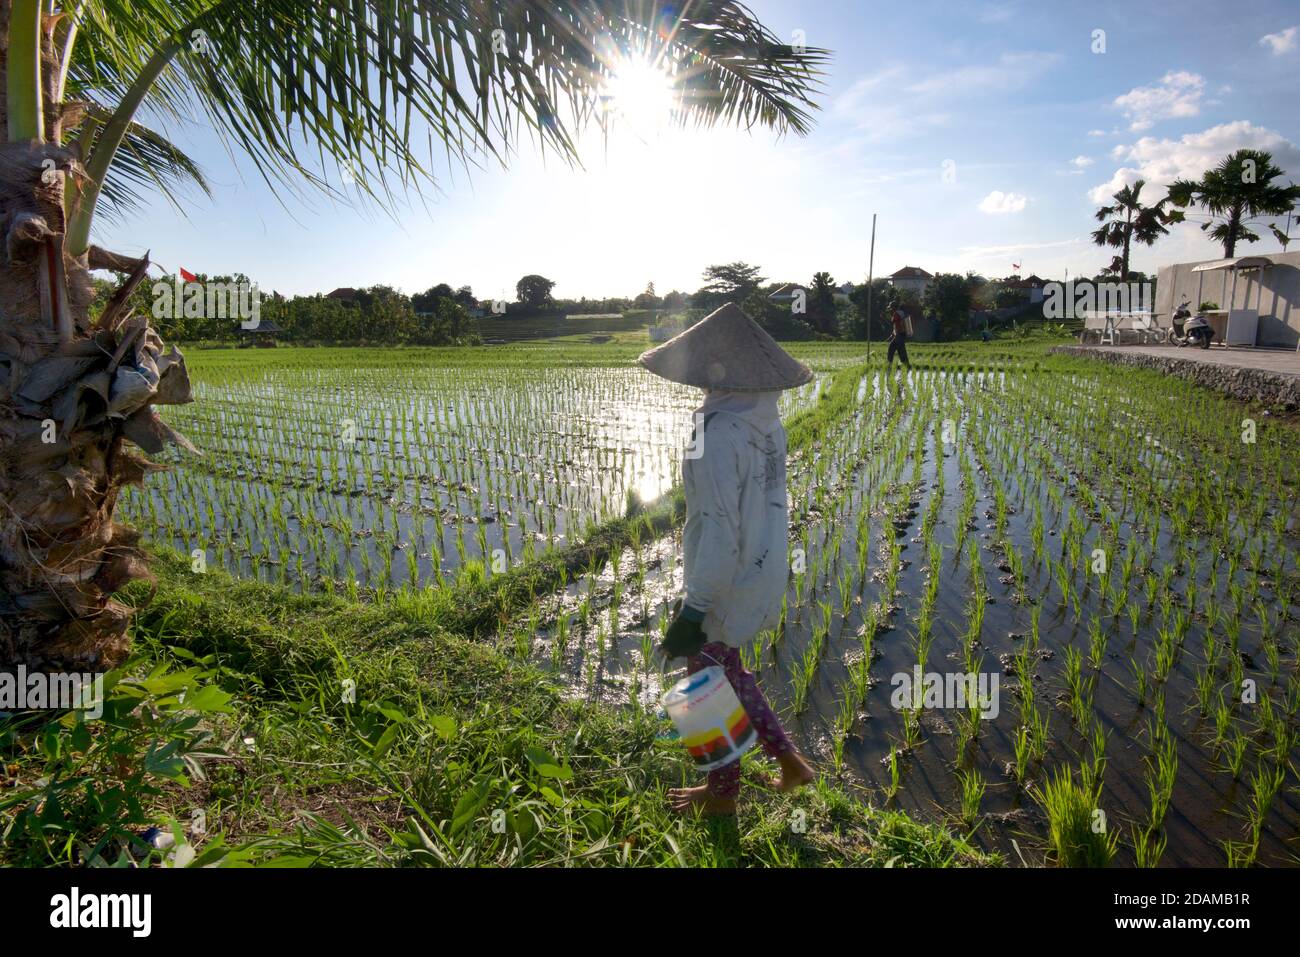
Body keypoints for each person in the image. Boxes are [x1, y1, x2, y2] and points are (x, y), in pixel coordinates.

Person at [638, 303, 816, 815]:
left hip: (725, 581)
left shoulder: (714, 436)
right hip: (760, 571)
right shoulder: (767, 423)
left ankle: (721, 799)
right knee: (728, 671)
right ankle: (789, 763)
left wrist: (693, 612)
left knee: (703, 687)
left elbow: (718, 530)